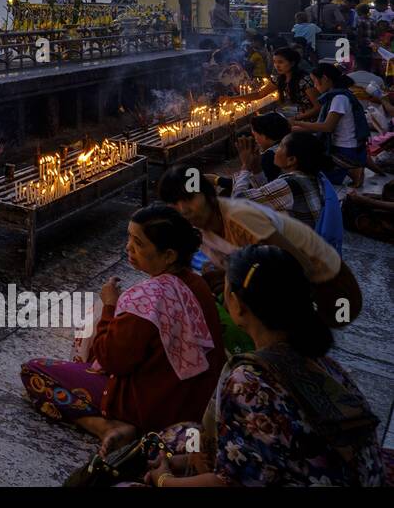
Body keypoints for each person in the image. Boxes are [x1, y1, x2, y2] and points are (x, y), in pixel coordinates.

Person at [141, 245, 383, 487]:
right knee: (187, 435)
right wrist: (184, 462)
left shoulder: (248, 383)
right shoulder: (323, 362)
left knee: (155, 453)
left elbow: (226, 485)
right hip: (357, 478)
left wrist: (163, 478)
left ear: (236, 304)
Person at [21, 206, 225, 454]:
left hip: (151, 408)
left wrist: (109, 306)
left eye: (138, 243)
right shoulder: (197, 283)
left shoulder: (149, 299)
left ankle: (106, 426)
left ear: (169, 255)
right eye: (129, 238)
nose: (129, 247)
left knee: (35, 371)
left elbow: (112, 360)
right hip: (191, 403)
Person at [156, 167, 361, 326]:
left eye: (189, 198)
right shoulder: (199, 230)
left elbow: (298, 265)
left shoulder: (239, 217)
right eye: (174, 203)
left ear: (209, 195)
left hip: (327, 284)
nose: (183, 209)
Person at [232, 131, 343, 254]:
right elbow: (267, 197)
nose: (275, 150)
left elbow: (236, 204)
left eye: (281, 146)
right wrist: (257, 169)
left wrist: (245, 166)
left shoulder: (290, 184)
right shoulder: (310, 176)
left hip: (295, 258)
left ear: (291, 160)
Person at [291, 63, 369, 188]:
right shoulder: (336, 95)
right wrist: (294, 128)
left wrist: (297, 122)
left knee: (316, 177)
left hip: (345, 150)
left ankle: (351, 169)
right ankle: (351, 168)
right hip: (345, 148)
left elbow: (327, 127)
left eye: (315, 82)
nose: (315, 86)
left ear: (325, 78)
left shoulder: (339, 98)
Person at [242, 113, 291, 181]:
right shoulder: (291, 142)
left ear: (264, 136)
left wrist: (246, 165)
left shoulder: (270, 156)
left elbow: (252, 183)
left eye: (255, 135)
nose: (255, 139)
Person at [272, 46, 316, 116]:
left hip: (308, 119)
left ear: (292, 63)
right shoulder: (278, 79)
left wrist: (296, 119)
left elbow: (318, 107)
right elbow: (260, 94)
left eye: (280, 62)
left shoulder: (304, 81)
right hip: (295, 114)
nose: (277, 66)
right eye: (274, 62)